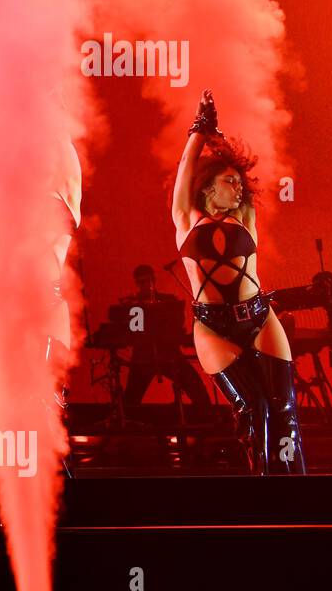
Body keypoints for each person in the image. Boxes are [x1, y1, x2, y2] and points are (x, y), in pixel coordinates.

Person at [172, 89, 303, 474]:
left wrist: (218, 136)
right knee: (253, 407)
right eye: (230, 182)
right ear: (209, 188)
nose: (239, 187)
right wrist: (198, 131)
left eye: (239, 182)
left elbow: (242, 171)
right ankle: (258, 493)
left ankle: (297, 492)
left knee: (283, 408)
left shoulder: (244, 217)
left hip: (260, 317)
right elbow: (184, 171)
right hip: (212, 326)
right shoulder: (185, 219)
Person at [119, 264, 210, 418]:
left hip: (169, 353)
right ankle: (129, 426)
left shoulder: (169, 302)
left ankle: (207, 418)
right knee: (131, 398)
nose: (146, 285)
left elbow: (177, 326)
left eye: (148, 281)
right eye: (141, 282)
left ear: (153, 281)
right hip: (144, 357)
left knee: (194, 385)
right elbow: (135, 332)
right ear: (137, 284)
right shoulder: (133, 306)